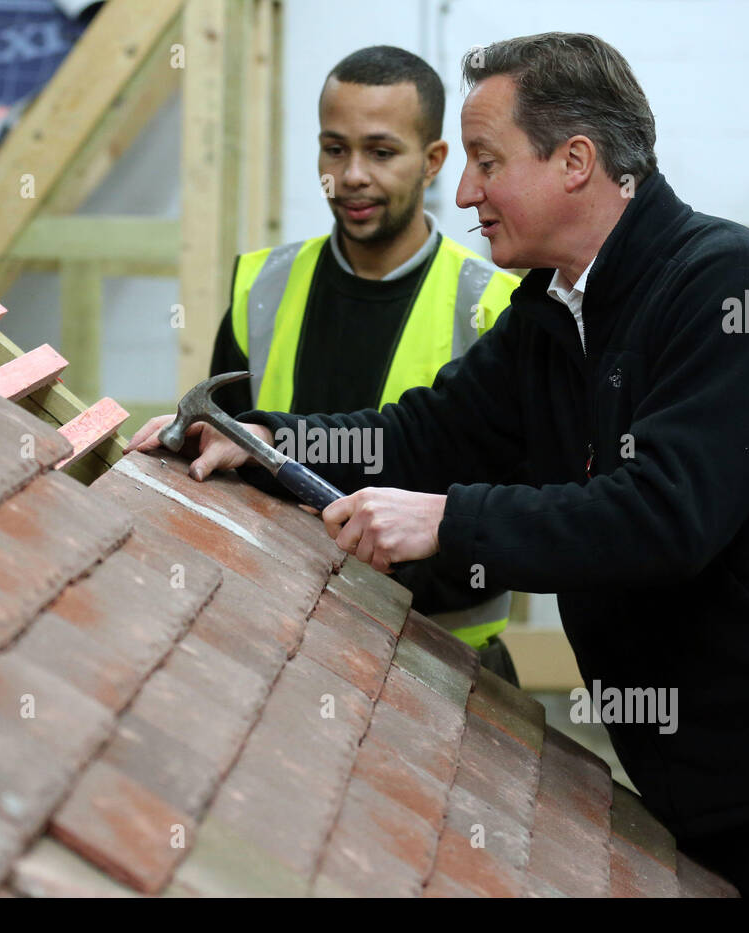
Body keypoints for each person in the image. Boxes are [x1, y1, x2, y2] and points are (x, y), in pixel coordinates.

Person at [131, 32, 749, 897]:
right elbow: (426, 432)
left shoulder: (730, 290)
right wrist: (268, 439)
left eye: (487, 162)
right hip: (707, 793)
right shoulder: (553, 311)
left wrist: (447, 521)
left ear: (575, 161)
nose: (463, 192)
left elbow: (664, 517)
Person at [207, 45, 523, 684]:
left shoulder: (498, 309)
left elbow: (516, 508)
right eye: (334, 149)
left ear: (433, 161)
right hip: (280, 650)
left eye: (381, 152)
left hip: (445, 668)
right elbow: (225, 465)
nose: (351, 175)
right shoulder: (260, 288)